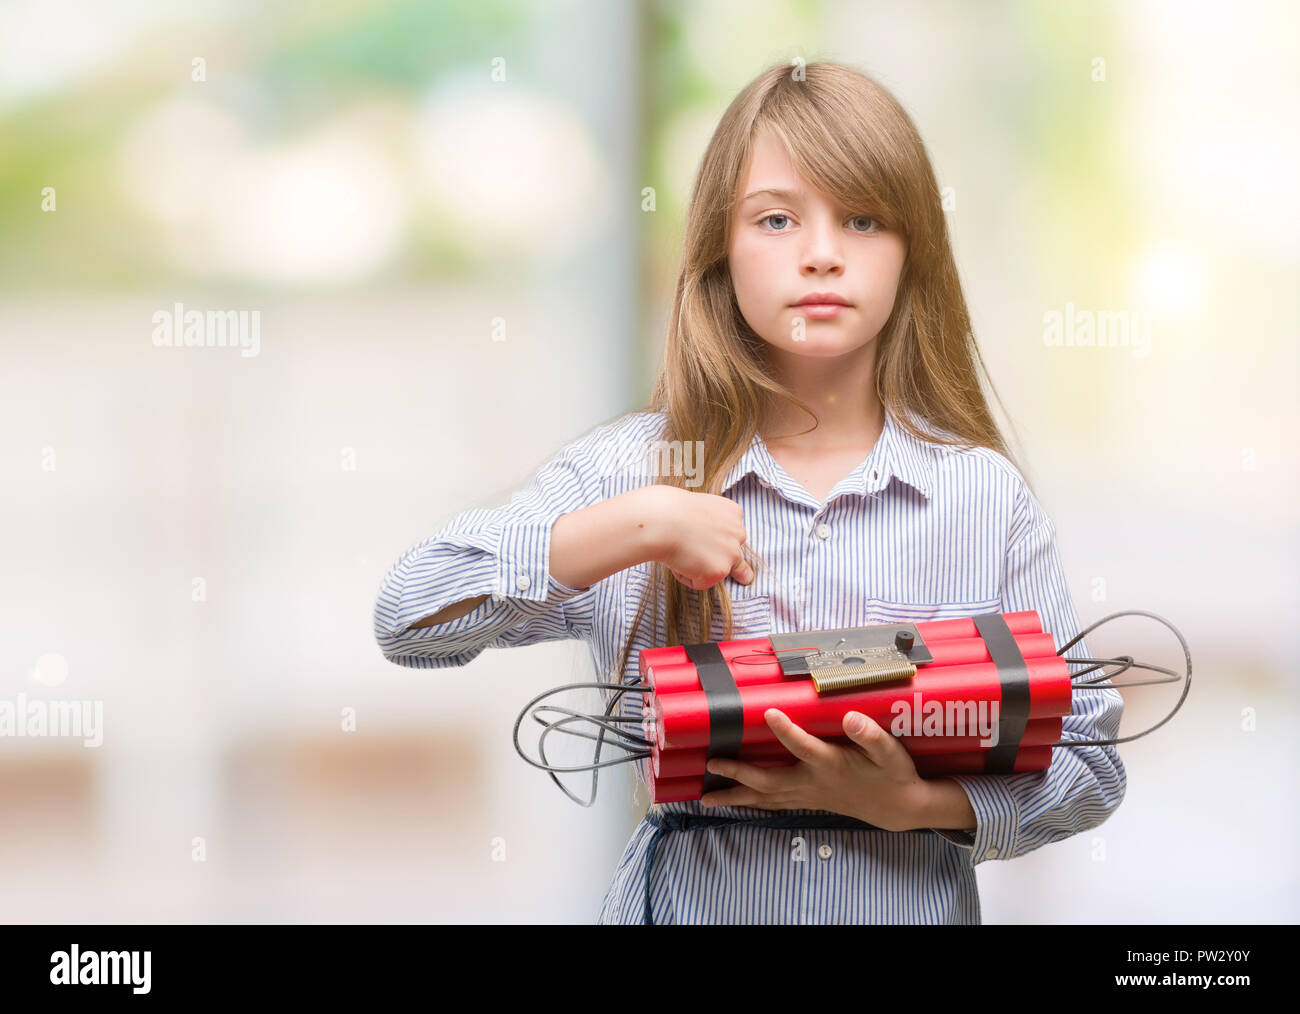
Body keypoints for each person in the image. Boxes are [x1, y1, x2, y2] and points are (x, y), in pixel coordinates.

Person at [372, 60, 1124, 924]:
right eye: (776, 218)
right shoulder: (631, 471)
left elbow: (1090, 764)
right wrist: (640, 524)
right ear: (720, 249)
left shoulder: (981, 497)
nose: (822, 254)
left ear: (912, 250)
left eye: (864, 219)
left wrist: (915, 806)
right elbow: (408, 617)